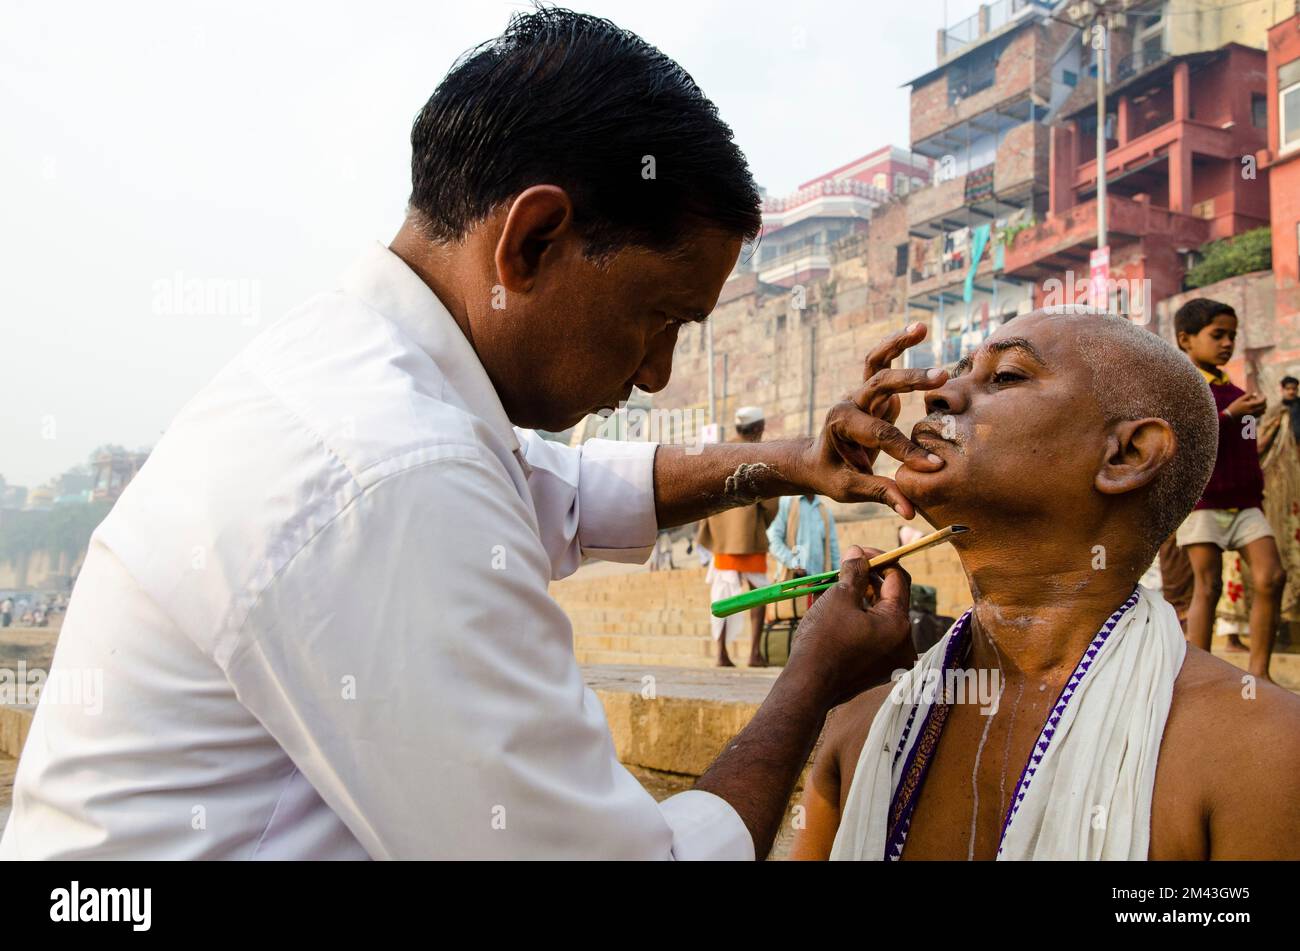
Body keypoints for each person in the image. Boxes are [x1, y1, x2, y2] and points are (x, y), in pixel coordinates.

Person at [1, 10, 949, 861]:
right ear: (533, 240)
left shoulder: (375, 381)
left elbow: (572, 492)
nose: (656, 370)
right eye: (658, 316)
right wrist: (813, 678)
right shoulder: (389, 472)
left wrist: (796, 464)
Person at [790, 310, 1300, 861]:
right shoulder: (864, 723)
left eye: (1006, 376)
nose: (940, 396)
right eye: (956, 373)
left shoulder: (1257, 751)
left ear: (1127, 455)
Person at [1172, 298, 1286, 682]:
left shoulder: (1236, 391)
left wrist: (1251, 419)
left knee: (1271, 576)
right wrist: (1230, 416)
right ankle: (1199, 677)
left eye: (1231, 336)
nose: (1227, 343)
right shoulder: (1184, 390)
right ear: (1186, 340)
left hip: (1245, 501)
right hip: (1204, 502)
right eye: (1217, 335)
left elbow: (1244, 445)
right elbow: (1187, 439)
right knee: (1208, 584)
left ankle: (1259, 674)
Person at [697, 406, 779, 667]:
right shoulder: (759, 454)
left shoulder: (717, 452)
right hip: (749, 538)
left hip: (722, 541)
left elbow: (701, 493)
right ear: (757, 429)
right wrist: (761, 523)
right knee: (760, 593)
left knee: (722, 596)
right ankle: (754, 653)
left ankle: (721, 653)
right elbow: (770, 502)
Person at [767, 493, 841, 581]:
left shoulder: (825, 510)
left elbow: (833, 550)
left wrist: (840, 576)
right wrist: (793, 562)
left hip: (818, 582)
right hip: (791, 581)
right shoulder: (786, 503)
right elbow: (773, 540)